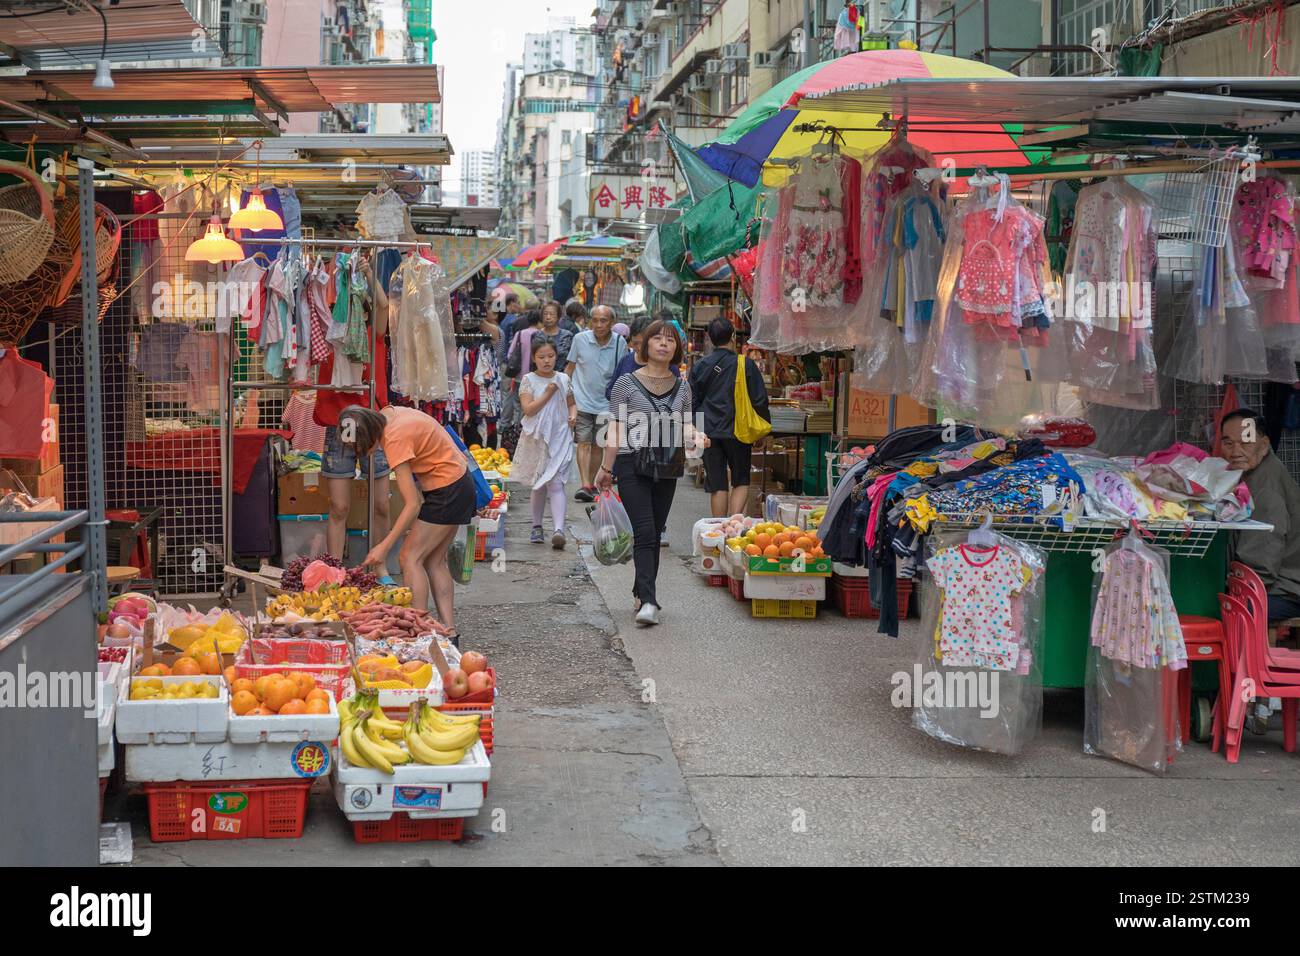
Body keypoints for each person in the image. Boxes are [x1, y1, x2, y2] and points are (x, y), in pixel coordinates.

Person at [597, 318, 707, 626]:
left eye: (670, 340)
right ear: (644, 345)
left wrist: (696, 437)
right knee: (645, 531)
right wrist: (606, 467)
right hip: (632, 464)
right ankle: (649, 600)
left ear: (677, 350)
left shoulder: (683, 388)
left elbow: (685, 425)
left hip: (667, 466)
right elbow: (615, 428)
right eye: (657, 338)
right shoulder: (625, 384)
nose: (663, 343)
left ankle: (640, 589)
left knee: (654, 532)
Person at [339, 404, 477, 645]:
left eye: (361, 448)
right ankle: (450, 634)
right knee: (434, 561)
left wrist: (384, 546)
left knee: (409, 557)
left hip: (447, 490)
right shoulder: (389, 414)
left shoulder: (394, 438)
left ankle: (418, 633)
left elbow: (412, 503)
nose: (364, 454)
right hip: (457, 482)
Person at [1221, 407, 1300, 736]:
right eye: (1228, 442)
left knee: (1232, 610)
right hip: (1278, 582)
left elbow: (1263, 563)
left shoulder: (1265, 486)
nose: (1236, 450)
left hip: (1287, 588)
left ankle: (1250, 699)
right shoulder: (1253, 474)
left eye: (1246, 441)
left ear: (1264, 443)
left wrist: (1237, 592)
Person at [316, 255, 390, 561]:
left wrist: (369, 274)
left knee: (382, 504)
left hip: (374, 426)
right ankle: (335, 569)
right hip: (338, 426)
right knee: (339, 506)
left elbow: (384, 306)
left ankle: (379, 565)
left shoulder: (373, 332)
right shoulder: (329, 331)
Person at [689, 318, 771, 518]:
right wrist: (763, 430)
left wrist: (695, 429)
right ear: (733, 337)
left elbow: (690, 401)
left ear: (709, 338)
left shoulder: (700, 365)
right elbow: (759, 400)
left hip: (708, 432)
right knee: (741, 479)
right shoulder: (746, 365)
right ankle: (733, 528)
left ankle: (718, 528)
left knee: (717, 483)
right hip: (738, 430)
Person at [518, 335, 577, 548]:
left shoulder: (563, 378)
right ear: (534, 358)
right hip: (537, 438)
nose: (546, 360)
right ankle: (536, 526)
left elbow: (571, 403)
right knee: (539, 483)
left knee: (556, 483)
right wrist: (549, 392)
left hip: (560, 435)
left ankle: (559, 529)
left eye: (550, 356)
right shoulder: (528, 380)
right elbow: (529, 409)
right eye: (541, 356)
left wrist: (573, 415)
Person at [565, 304, 627, 502]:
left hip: (606, 404)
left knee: (598, 444)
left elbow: (622, 374)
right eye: (595, 320)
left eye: (604, 321)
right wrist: (566, 397)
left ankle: (590, 483)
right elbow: (570, 369)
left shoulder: (619, 343)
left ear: (612, 323)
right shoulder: (580, 339)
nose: (599, 325)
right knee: (583, 442)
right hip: (582, 401)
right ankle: (585, 484)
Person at [536, 300, 574, 367]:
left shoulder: (567, 335)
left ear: (558, 316)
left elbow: (572, 360)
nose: (548, 317)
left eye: (552, 314)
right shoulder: (536, 335)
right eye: (545, 314)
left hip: (563, 375)